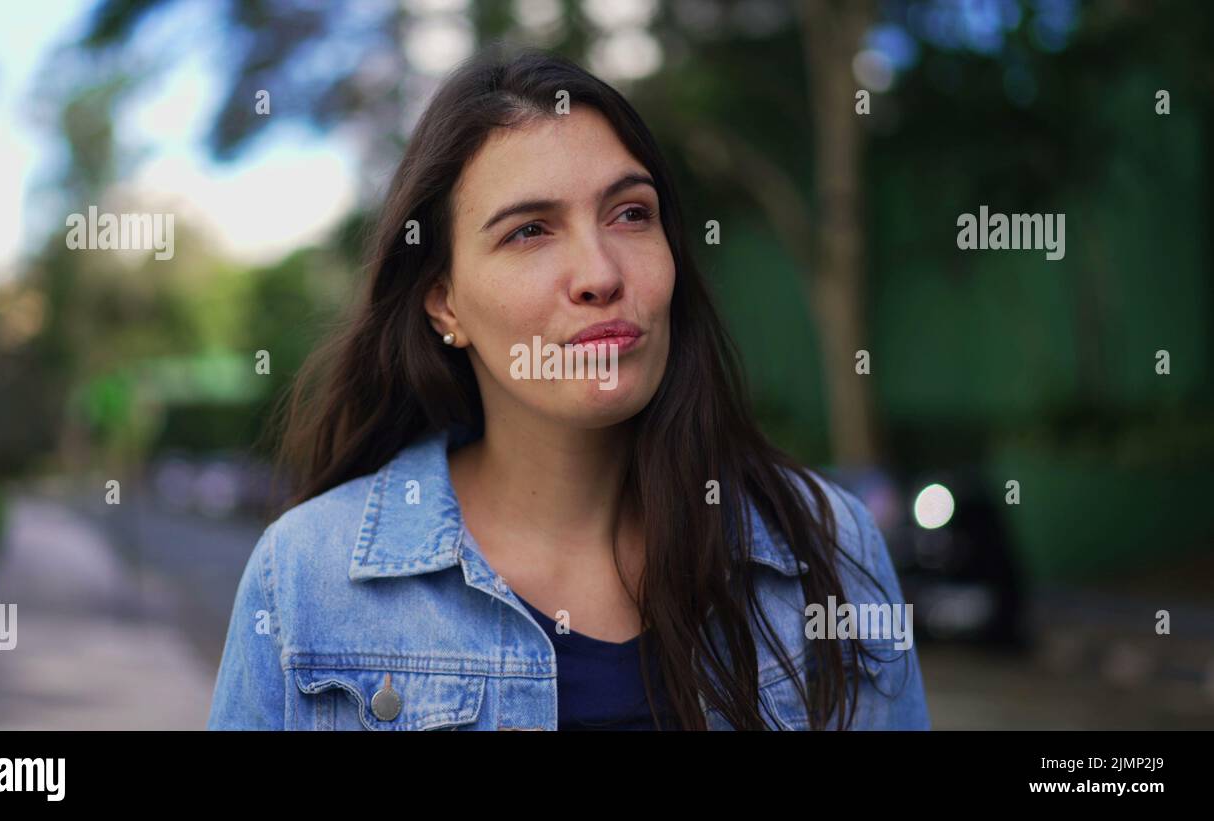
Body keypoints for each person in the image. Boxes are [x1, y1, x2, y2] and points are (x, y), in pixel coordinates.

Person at [207, 44, 929, 731]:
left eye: (630, 214)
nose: (601, 273)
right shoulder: (307, 578)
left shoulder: (826, 548)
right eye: (529, 231)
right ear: (444, 302)